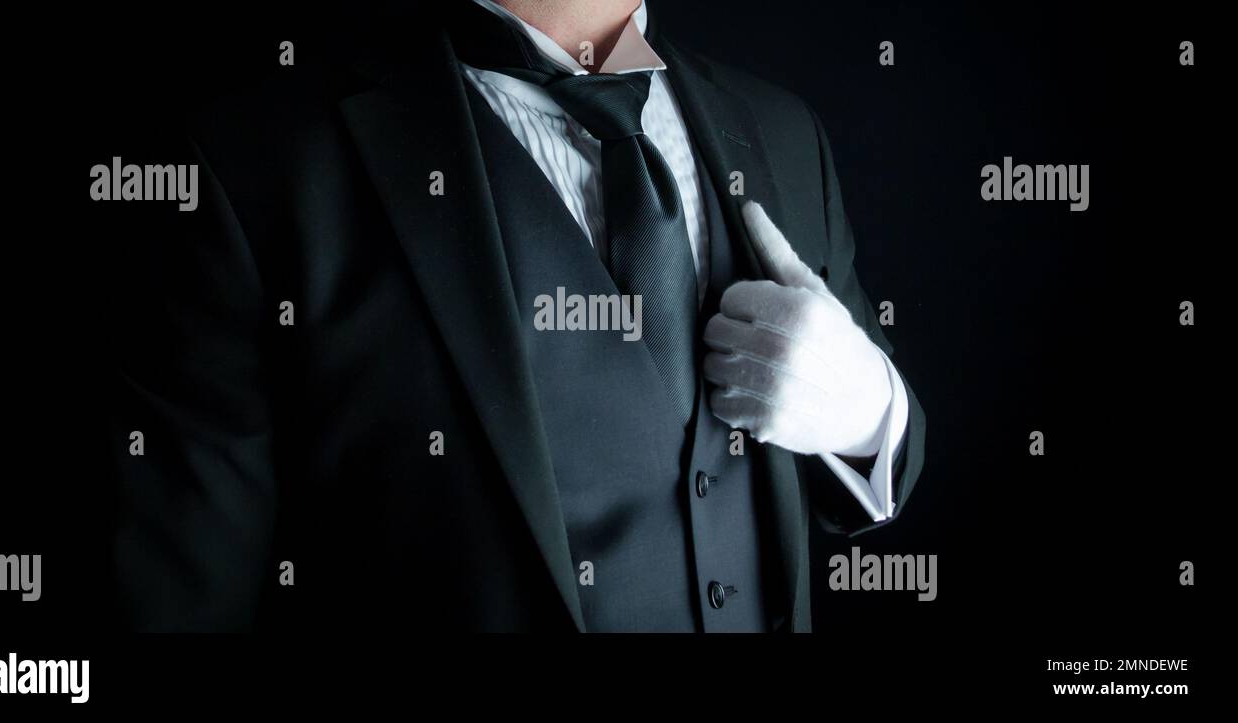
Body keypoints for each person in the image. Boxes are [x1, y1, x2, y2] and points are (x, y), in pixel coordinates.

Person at [110, 0, 926, 632]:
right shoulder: (262, 164)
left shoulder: (783, 133)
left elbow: (891, 452)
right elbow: (179, 600)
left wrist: (870, 412)